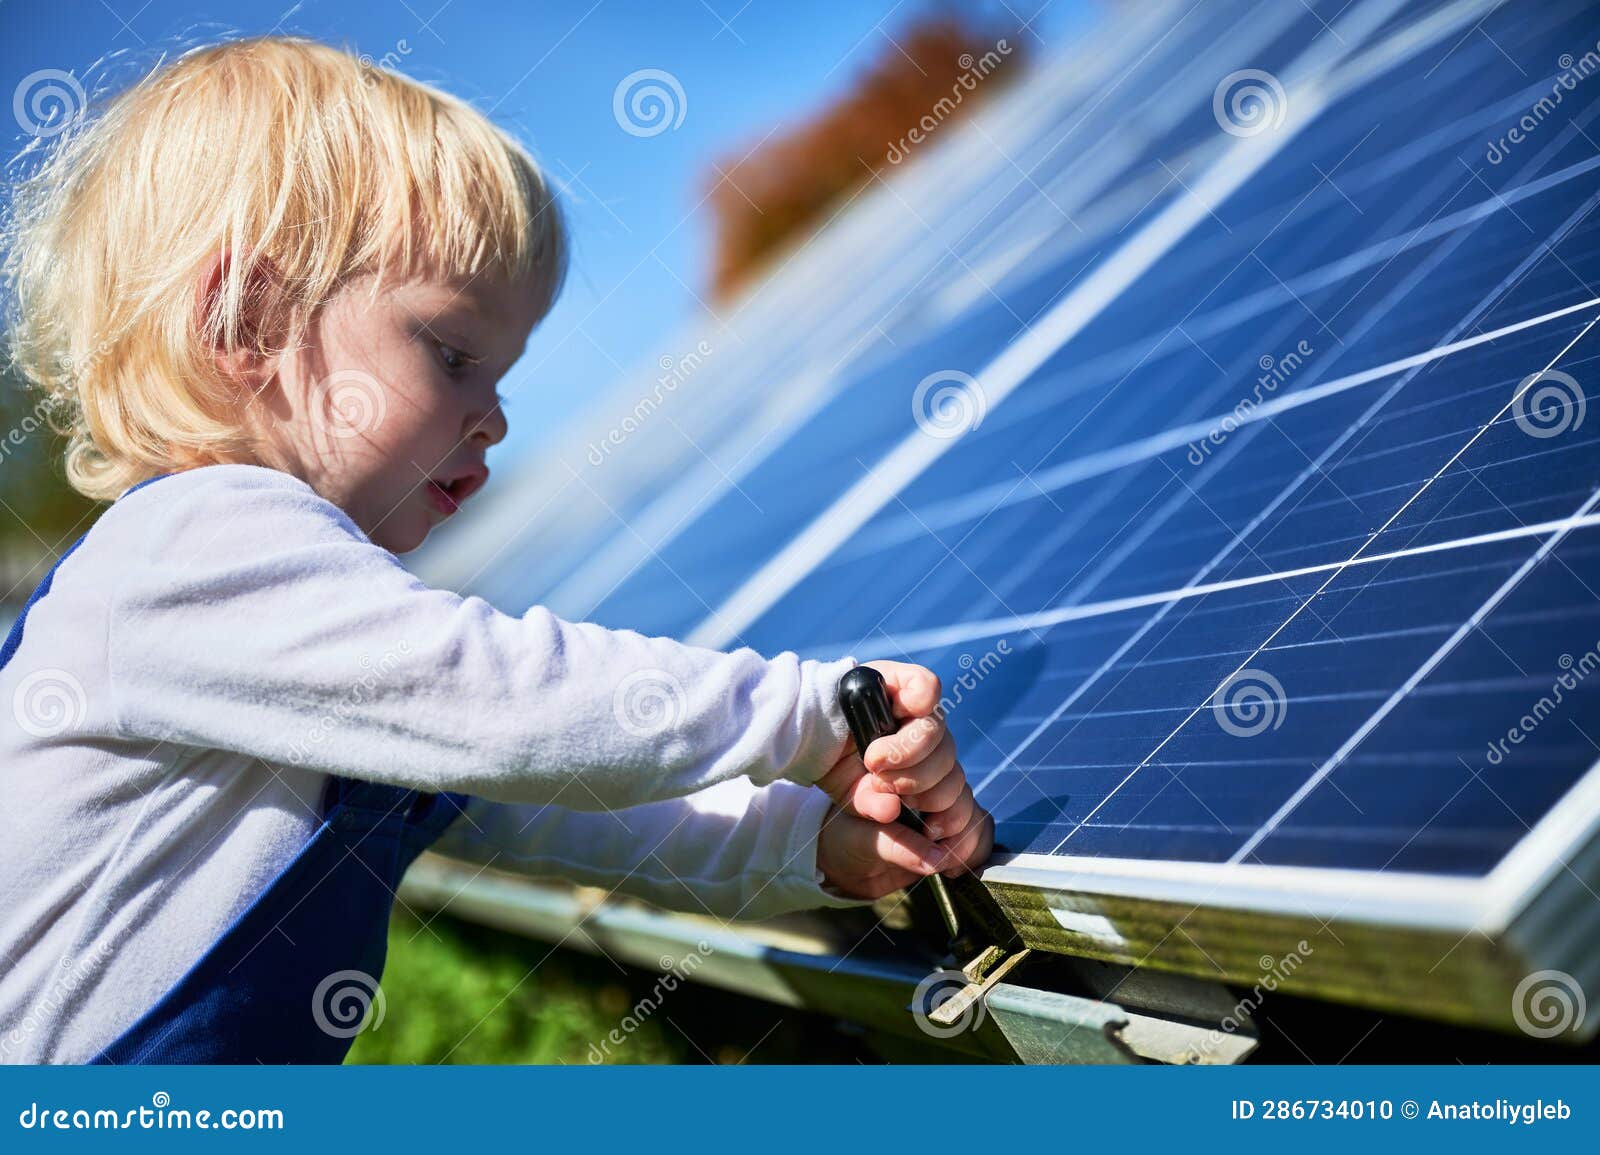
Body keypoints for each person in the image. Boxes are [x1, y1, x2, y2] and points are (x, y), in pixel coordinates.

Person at [0, 36, 992, 1064]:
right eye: (453, 353)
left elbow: (547, 809)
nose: (497, 418)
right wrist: (805, 717)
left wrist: (800, 842)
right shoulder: (192, 546)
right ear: (244, 318)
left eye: (503, 375)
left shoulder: (298, 646)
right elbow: (513, 701)